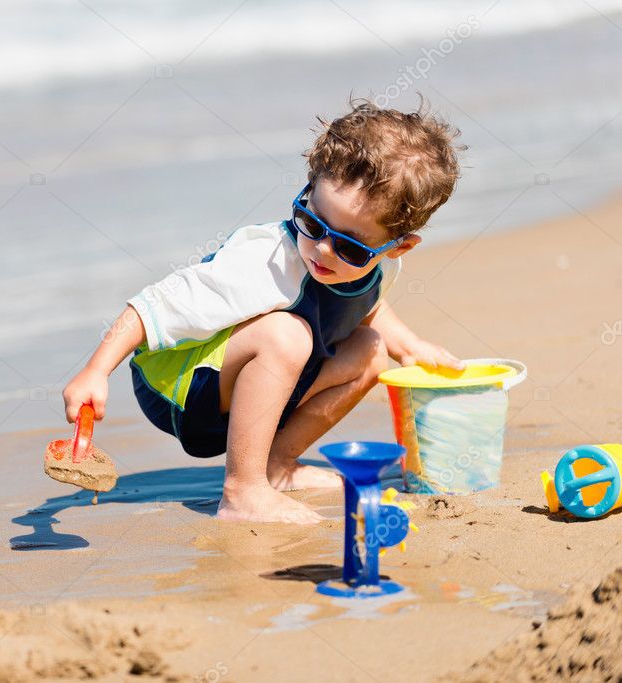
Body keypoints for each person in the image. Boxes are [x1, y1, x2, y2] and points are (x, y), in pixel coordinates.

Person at [62, 96, 467, 523]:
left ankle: (276, 465)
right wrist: (96, 370)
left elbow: (365, 305)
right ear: (308, 191)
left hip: (248, 384)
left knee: (371, 351)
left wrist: (409, 347)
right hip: (179, 388)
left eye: (349, 247)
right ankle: (242, 490)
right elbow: (156, 306)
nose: (323, 250)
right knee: (287, 334)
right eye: (312, 223)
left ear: (397, 247)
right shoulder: (265, 261)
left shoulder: (376, 268)